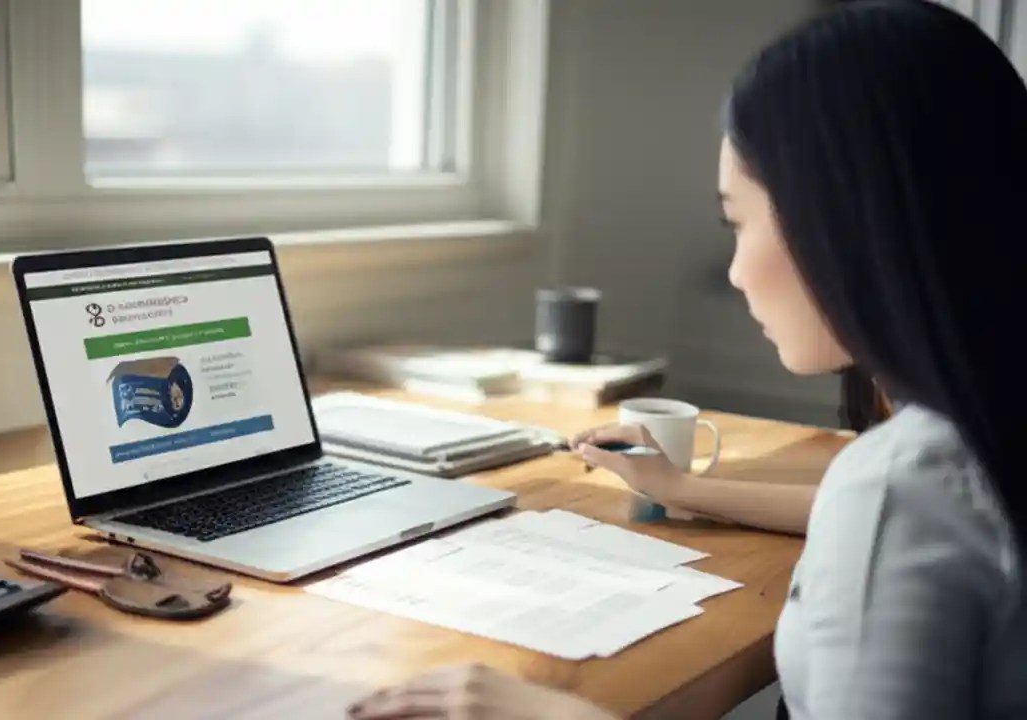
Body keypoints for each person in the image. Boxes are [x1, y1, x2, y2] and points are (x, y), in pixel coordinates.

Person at [347, 2, 1027, 718]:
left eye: (738, 221)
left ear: (846, 217)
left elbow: (898, 505)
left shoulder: (898, 484)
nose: (735, 272)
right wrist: (685, 489)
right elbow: (914, 513)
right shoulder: (972, 444)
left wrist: (551, 713)